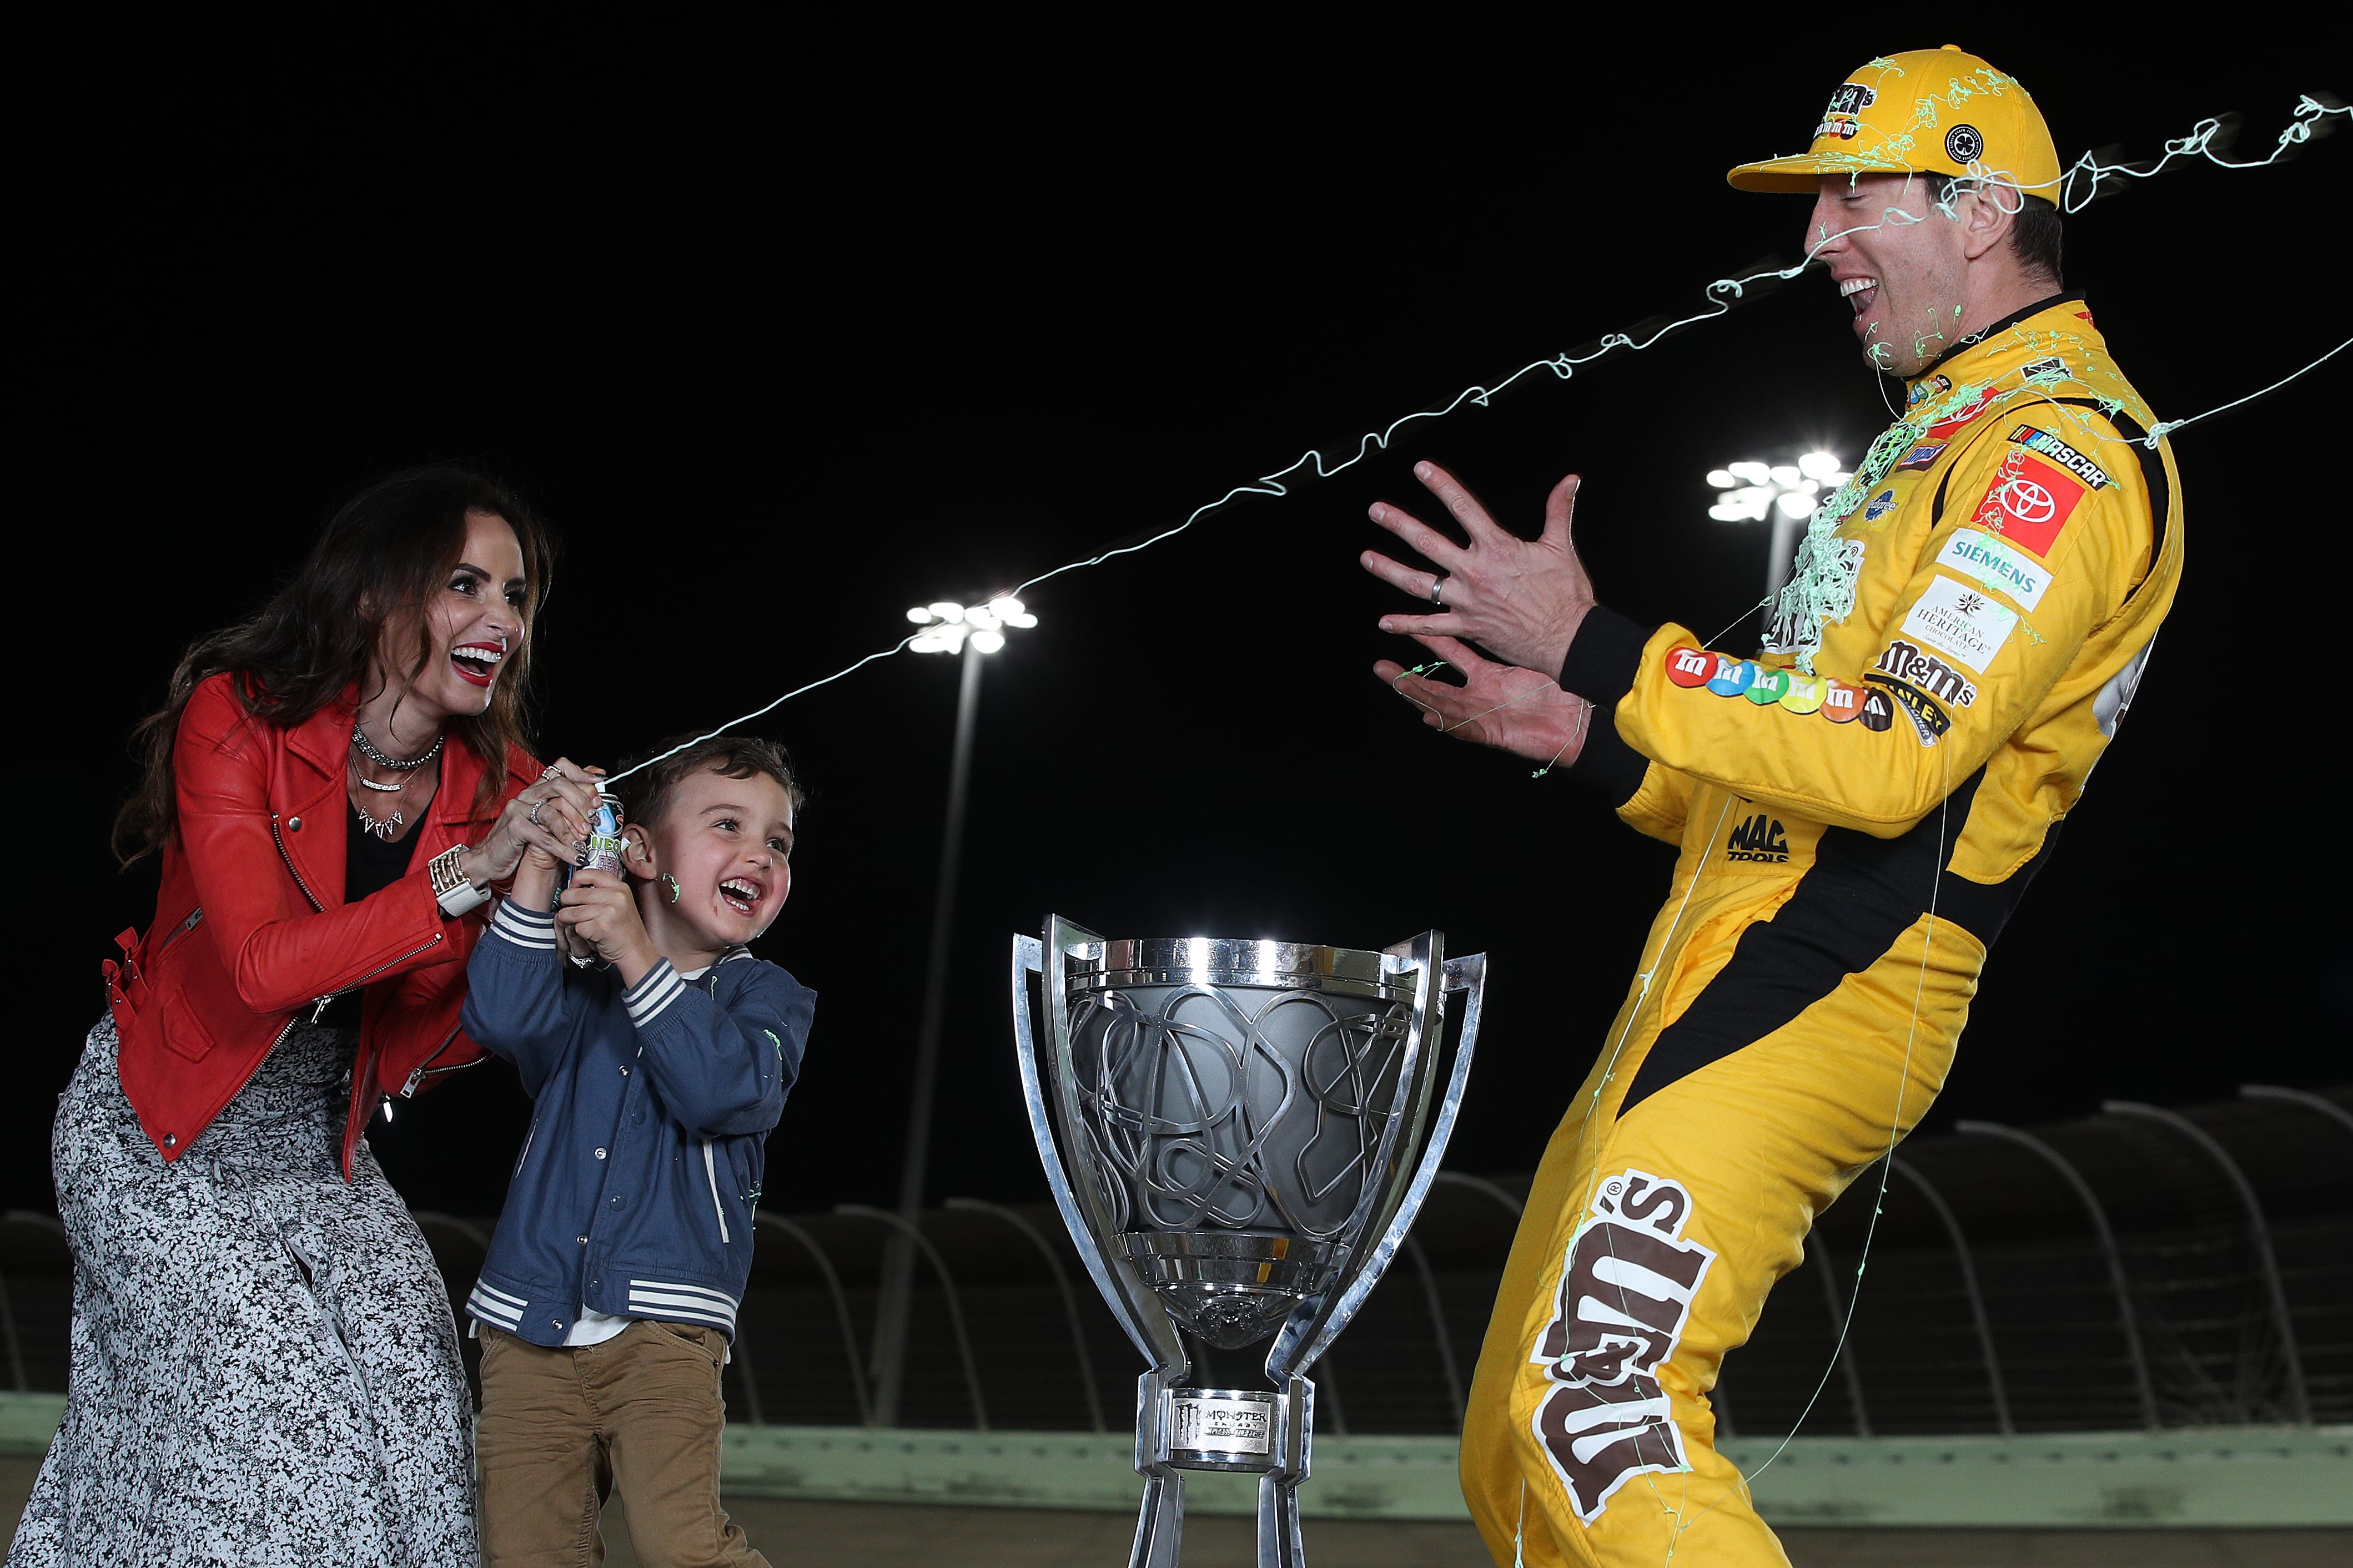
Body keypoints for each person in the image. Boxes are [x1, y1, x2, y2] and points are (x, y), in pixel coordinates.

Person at [1359, 47, 2183, 1567]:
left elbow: (1886, 754)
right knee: (1512, 1439)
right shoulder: (1934, 436)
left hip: (1836, 973)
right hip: (1729, 952)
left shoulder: (2052, 457)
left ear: (1981, 203)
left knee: (1590, 1403)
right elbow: (1786, 784)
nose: (1813, 244)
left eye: (1852, 194)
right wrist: (1587, 735)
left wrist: (1605, 649)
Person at [12, 466, 609, 1566]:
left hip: (313, 1150)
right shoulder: (238, 714)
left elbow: (445, 1036)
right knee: (291, 1427)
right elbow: (256, 968)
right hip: (158, 1136)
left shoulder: (509, 781)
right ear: (376, 597)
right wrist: (466, 872)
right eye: (465, 585)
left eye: (517, 596)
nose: (500, 620)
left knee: (420, 1418)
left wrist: (557, 939)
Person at [461, 733, 815, 1567]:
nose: (757, 854)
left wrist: (631, 947)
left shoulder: (767, 996)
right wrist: (544, 862)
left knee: (679, 1545)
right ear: (643, 851)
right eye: (727, 824)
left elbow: (724, 1089)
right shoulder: (580, 993)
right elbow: (497, 1017)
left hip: (666, 1328)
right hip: (527, 1325)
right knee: (528, 1553)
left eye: (778, 841)